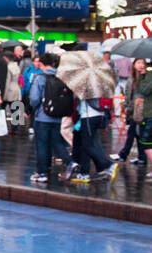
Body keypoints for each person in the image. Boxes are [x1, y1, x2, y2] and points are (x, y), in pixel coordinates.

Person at [27, 54, 74, 183]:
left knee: (42, 144)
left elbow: (34, 99)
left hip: (43, 116)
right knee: (55, 142)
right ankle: (69, 162)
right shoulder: (61, 77)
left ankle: (42, 172)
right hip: (57, 116)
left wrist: (34, 108)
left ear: (41, 64)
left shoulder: (40, 78)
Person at [71, 94, 119, 183]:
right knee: (87, 144)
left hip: (88, 116)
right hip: (100, 115)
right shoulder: (100, 83)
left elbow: (78, 97)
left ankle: (108, 165)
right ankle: (84, 173)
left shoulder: (87, 84)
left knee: (87, 145)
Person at [111, 58, 148, 166]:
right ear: (134, 65)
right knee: (137, 134)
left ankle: (124, 154)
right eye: (138, 63)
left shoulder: (146, 78)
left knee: (133, 133)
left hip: (141, 112)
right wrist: (126, 106)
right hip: (132, 111)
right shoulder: (131, 78)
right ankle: (141, 157)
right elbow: (128, 94)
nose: (141, 65)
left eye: (143, 63)